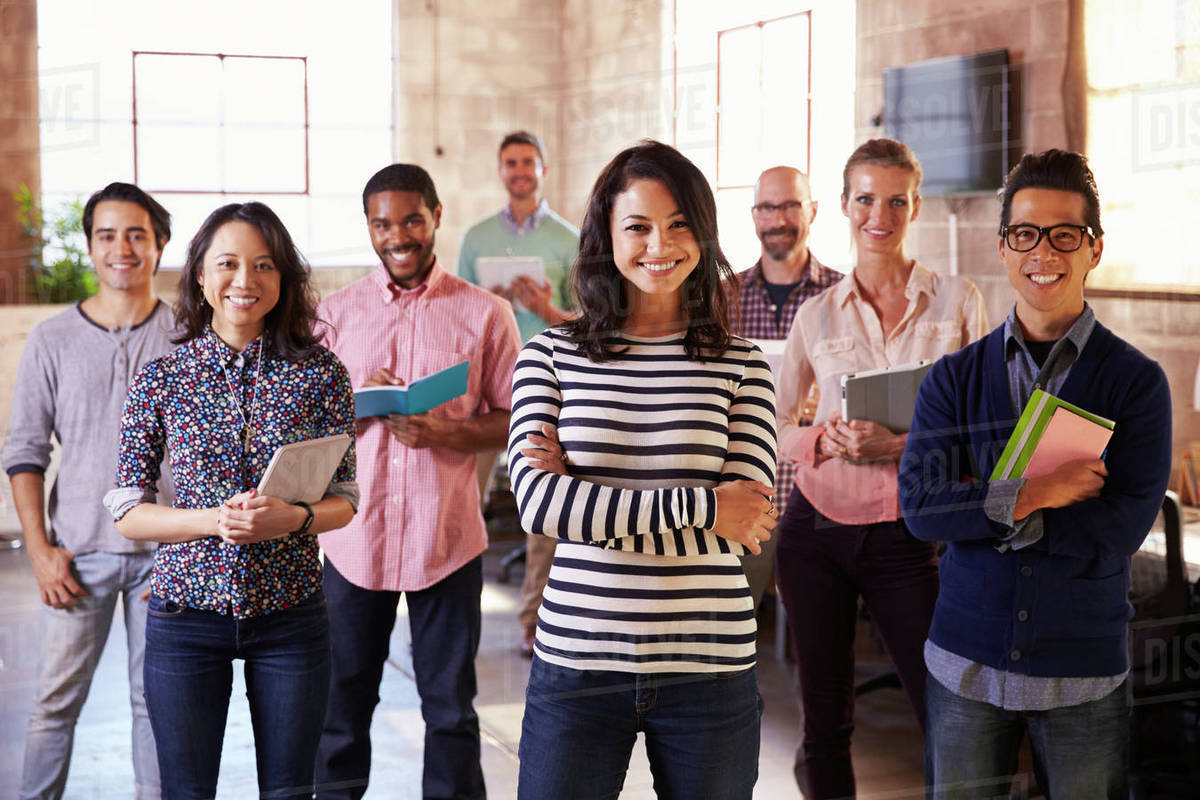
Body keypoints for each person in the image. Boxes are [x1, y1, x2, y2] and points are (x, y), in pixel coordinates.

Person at [899, 149, 1173, 799]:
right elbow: (922, 509)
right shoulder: (953, 378)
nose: (1042, 252)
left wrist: (983, 509)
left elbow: (1120, 528)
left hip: (1083, 669)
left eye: (1064, 235)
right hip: (964, 660)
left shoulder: (1137, 383)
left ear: (1094, 248)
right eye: (1024, 234)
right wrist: (1039, 494)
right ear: (1003, 248)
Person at [509, 139, 778, 799]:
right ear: (606, 235)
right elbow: (539, 508)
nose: (660, 244)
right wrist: (702, 507)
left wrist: (583, 493)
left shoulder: (743, 364)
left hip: (710, 665)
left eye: (679, 223)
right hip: (577, 660)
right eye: (638, 226)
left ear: (703, 233)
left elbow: (747, 518)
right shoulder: (550, 356)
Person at [103, 202, 358, 799]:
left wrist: (292, 519)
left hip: (291, 613)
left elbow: (346, 499)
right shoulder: (162, 377)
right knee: (187, 790)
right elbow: (128, 510)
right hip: (185, 617)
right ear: (199, 275)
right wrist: (214, 521)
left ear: (283, 277)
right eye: (228, 264)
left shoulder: (322, 374)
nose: (246, 280)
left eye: (264, 265)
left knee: (290, 790)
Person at [773, 138, 988, 798]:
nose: (880, 216)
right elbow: (774, 426)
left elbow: (987, 430)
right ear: (844, 204)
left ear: (916, 206)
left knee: (946, 712)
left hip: (910, 533)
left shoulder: (958, 301)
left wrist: (898, 447)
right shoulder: (815, 315)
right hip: (815, 533)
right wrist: (823, 438)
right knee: (824, 721)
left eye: (897, 201)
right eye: (866, 199)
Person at [315, 164, 521, 800]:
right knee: (341, 706)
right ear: (368, 227)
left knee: (450, 708)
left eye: (411, 220)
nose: (397, 236)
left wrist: (447, 432)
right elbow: (302, 424)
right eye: (383, 224)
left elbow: (517, 417)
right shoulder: (334, 315)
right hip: (353, 541)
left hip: (445, 539)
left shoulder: (486, 313)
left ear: (436, 216)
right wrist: (353, 400)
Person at [3, 182, 173, 800]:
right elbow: (24, 452)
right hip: (77, 555)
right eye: (107, 235)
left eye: (136, 235)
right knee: (55, 703)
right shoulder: (52, 339)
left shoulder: (189, 336)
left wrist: (192, 550)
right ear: (91, 246)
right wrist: (40, 549)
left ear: (159, 245)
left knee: (156, 705)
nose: (121, 248)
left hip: (167, 555)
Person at [457, 130, 580, 654]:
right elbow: (457, 316)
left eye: (529, 161)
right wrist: (488, 304)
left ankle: (534, 619)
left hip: (551, 384)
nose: (520, 170)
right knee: (461, 498)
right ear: (501, 171)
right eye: (511, 162)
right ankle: (449, 619)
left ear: (543, 170)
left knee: (546, 506)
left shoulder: (569, 240)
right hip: (487, 386)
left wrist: (544, 308)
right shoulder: (476, 238)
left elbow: (589, 325)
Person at [731, 165, 843, 609]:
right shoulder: (723, 298)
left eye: (790, 206)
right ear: (753, 215)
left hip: (821, 497)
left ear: (813, 210)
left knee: (817, 629)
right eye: (766, 207)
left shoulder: (843, 296)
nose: (777, 219)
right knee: (733, 619)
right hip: (742, 494)